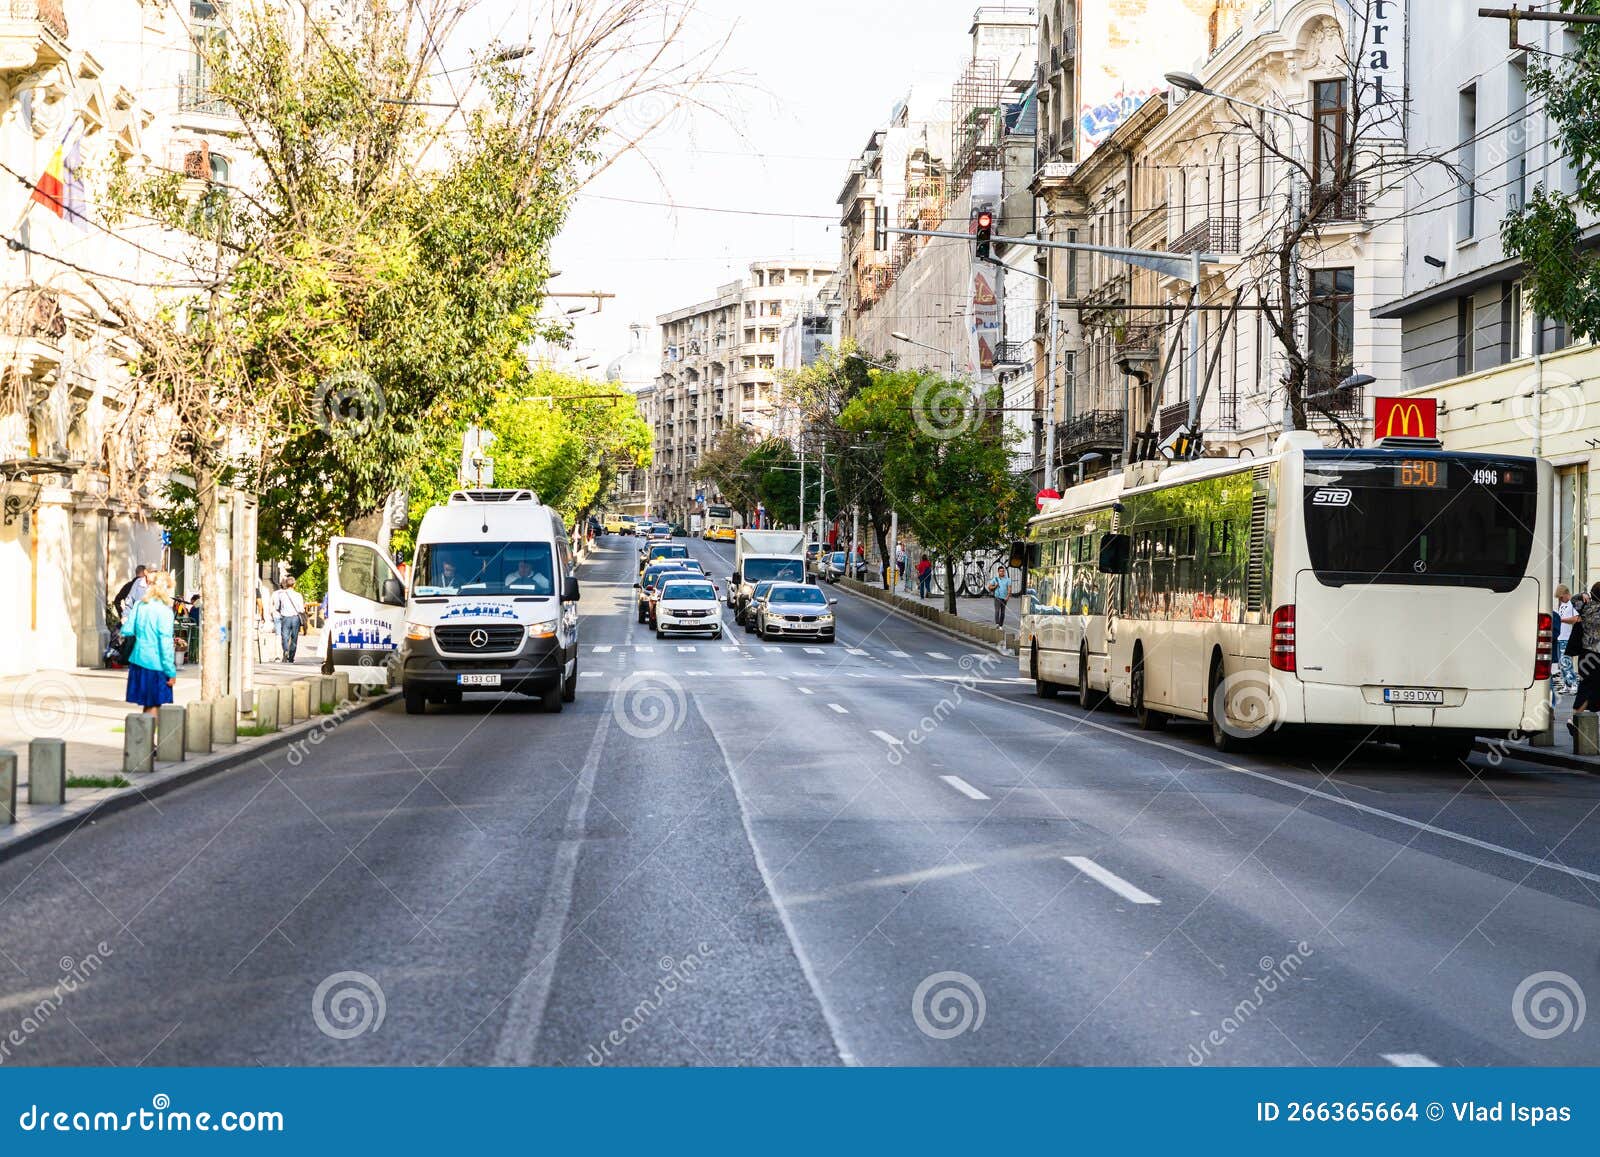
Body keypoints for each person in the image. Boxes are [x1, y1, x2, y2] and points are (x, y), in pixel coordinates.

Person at [123, 570, 177, 717]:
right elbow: (165, 643)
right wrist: (171, 671)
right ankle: (148, 740)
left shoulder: (140, 605)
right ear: (165, 588)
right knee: (154, 705)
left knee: (148, 704)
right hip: (156, 664)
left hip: (138, 660)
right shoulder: (165, 611)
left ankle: (144, 738)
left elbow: (127, 629)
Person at [272, 577, 306, 663]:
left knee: (285, 637)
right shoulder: (298, 595)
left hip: (285, 618)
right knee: (294, 638)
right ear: (294, 585)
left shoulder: (281, 595)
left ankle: (285, 650)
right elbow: (302, 609)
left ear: (286, 584)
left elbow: (277, 607)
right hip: (295, 618)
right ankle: (291, 657)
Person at [1556, 584, 1580, 694]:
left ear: (1566, 594)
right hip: (1560, 637)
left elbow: (1577, 619)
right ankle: (1567, 684)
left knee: (1566, 662)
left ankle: (1574, 683)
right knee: (1561, 664)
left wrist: (1562, 620)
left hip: (1567, 637)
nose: (1560, 599)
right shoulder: (1562, 605)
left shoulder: (1572, 604)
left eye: (1561, 597)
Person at [987, 563, 1013, 628]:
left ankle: (1001, 625)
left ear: (1004, 571)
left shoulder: (1008, 579)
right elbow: (989, 587)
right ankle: (997, 624)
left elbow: (1009, 589)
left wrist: (1007, 597)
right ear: (998, 572)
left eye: (1003, 571)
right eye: (1000, 571)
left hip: (1004, 598)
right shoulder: (995, 579)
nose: (1002, 572)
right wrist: (995, 586)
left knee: (1003, 612)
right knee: (997, 610)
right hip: (997, 597)